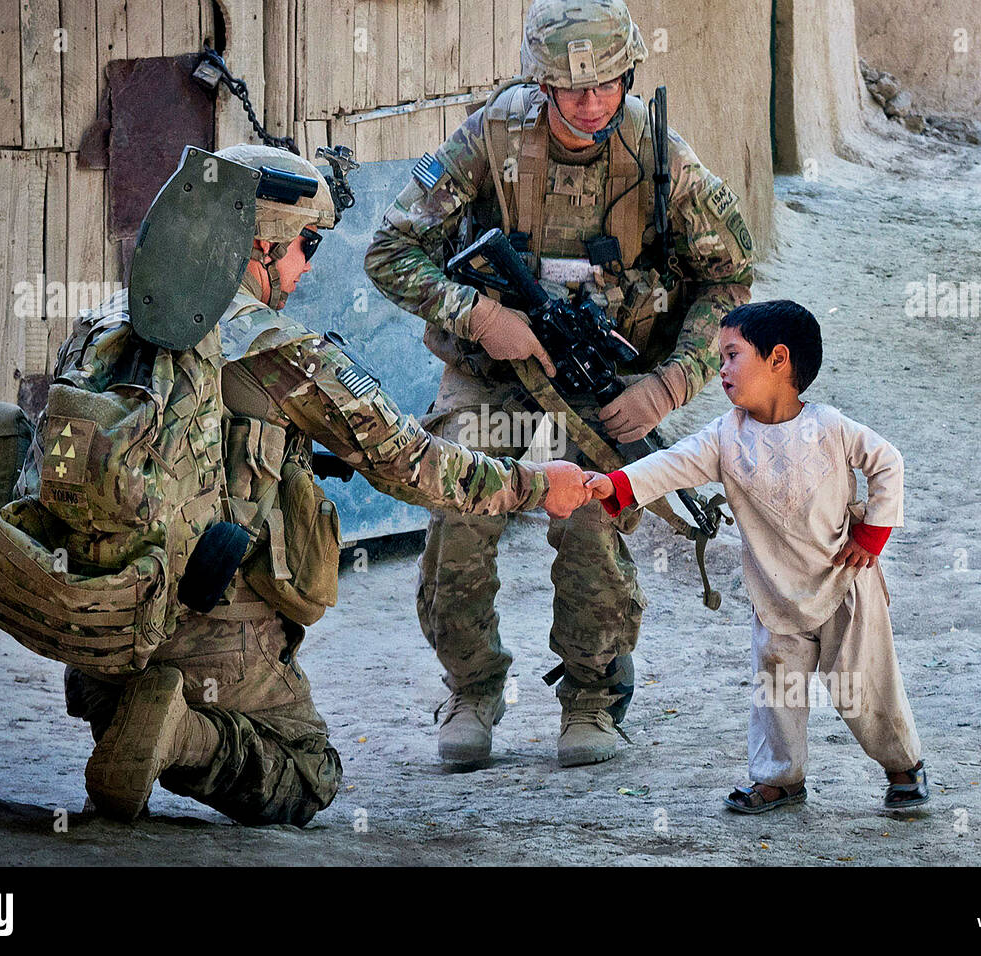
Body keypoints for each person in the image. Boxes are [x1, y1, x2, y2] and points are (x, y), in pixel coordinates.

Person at [56, 144, 593, 825]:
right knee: (308, 774)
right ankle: (181, 732)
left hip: (96, 625)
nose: (309, 265)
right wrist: (536, 486)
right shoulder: (281, 350)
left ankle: (124, 711)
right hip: (200, 634)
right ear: (260, 242)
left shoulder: (106, 320)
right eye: (306, 243)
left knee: (141, 689)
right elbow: (412, 462)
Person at [363, 0, 755, 767]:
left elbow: (732, 281)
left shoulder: (659, 155)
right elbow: (389, 251)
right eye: (571, 88)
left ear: (629, 75)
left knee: (593, 514)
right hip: (492, 373)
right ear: (539, 84)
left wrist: (672, 384)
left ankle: (593, 694)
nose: (590, 102)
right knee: (459, 505)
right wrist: (476, 313)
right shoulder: (488, 138)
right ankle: (471, 688)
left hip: (602, 382)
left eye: (608, 83)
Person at [581, 300, 928, 812]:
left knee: (864, 686)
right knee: (776, 688)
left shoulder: (829, 427)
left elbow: (888, 462)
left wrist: (871, 537)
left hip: (844, 584)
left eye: (731, 355)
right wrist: (613, 486)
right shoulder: (726, 436)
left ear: (778, 360)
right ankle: (780, 779)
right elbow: (673, 465)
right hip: (774, 593)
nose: (721, 370)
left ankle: (904, 768)